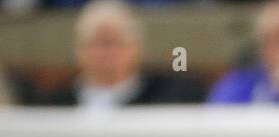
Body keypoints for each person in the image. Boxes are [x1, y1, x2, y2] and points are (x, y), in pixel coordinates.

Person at [25, 1, 205, 108]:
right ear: (78, 50)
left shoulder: (171, 97)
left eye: (113, 43)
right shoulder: (54, 104)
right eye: (96, 44)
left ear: (136, 47)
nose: (105, 53)